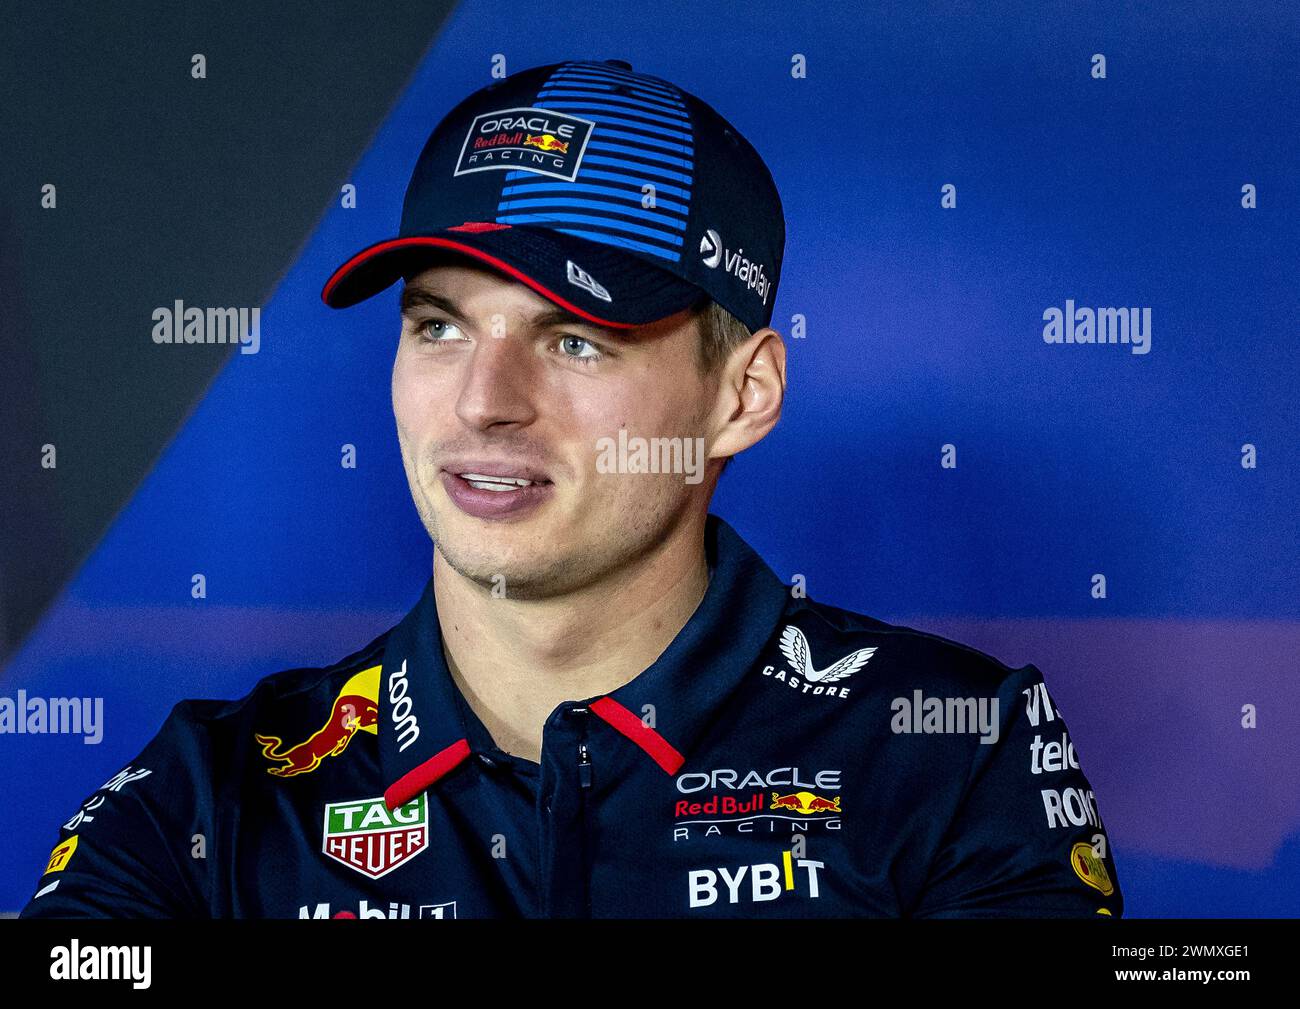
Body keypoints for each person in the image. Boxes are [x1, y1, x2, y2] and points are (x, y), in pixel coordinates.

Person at [20, 58, 1122, 918]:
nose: (484, 401)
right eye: (440, 325)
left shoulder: (951, 750)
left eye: (577, 338)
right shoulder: (213, 795)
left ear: (740, 394)